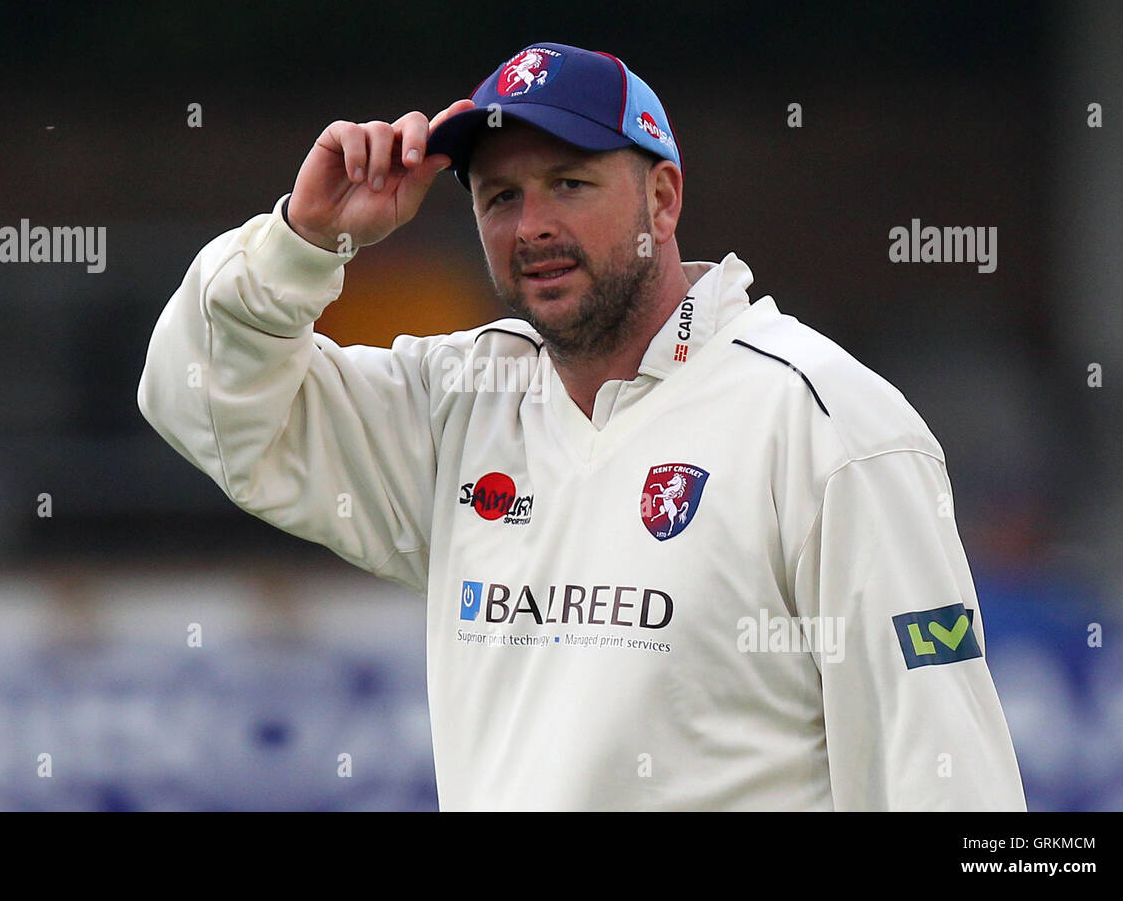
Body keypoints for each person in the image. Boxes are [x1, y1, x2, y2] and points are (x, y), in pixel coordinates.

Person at [137, 41, 1027, 810]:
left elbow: (942, 774)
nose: (533, 227)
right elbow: (202, 401)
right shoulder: (460, 403)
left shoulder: (829, 425)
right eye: (499, 198)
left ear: (664, 199)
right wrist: (301, 244)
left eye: (570, 183)